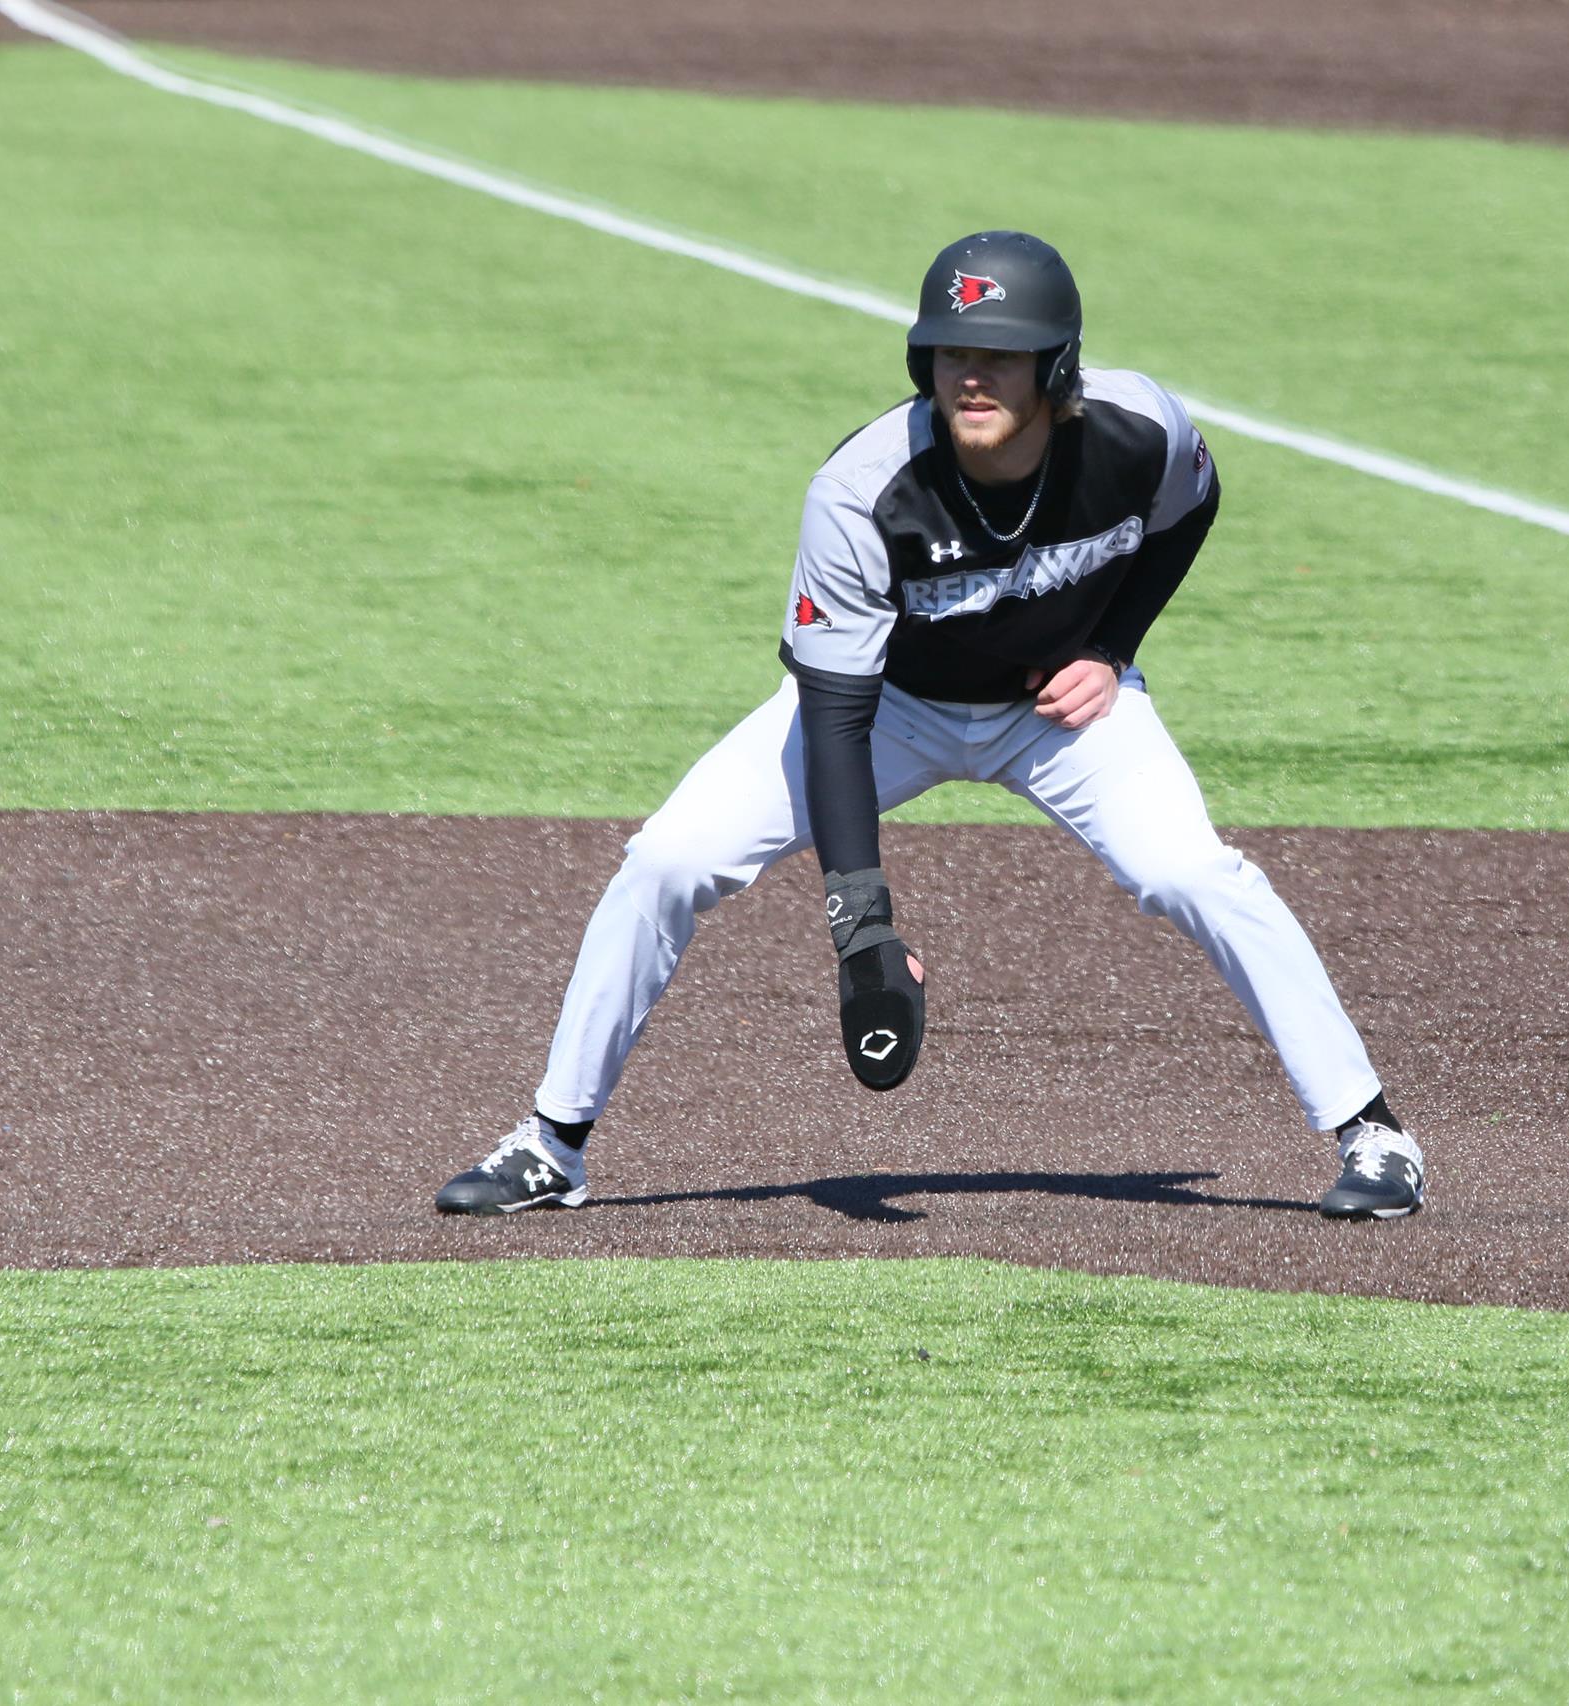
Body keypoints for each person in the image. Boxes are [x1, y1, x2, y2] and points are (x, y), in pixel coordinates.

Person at [437, 231, 1426, 1222]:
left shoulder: (1141, 430)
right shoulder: (864, 490)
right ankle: (552, 1142)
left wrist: (1112, 645)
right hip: (887, 709)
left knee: (1192, 873)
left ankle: (1373, 1133)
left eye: (999, 355)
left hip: (1054, 715)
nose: (974, 376)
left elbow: (1191, 507)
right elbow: (832, 716)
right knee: (665, 860)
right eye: (953, 353)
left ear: (1056, 365)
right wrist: (862, 930)